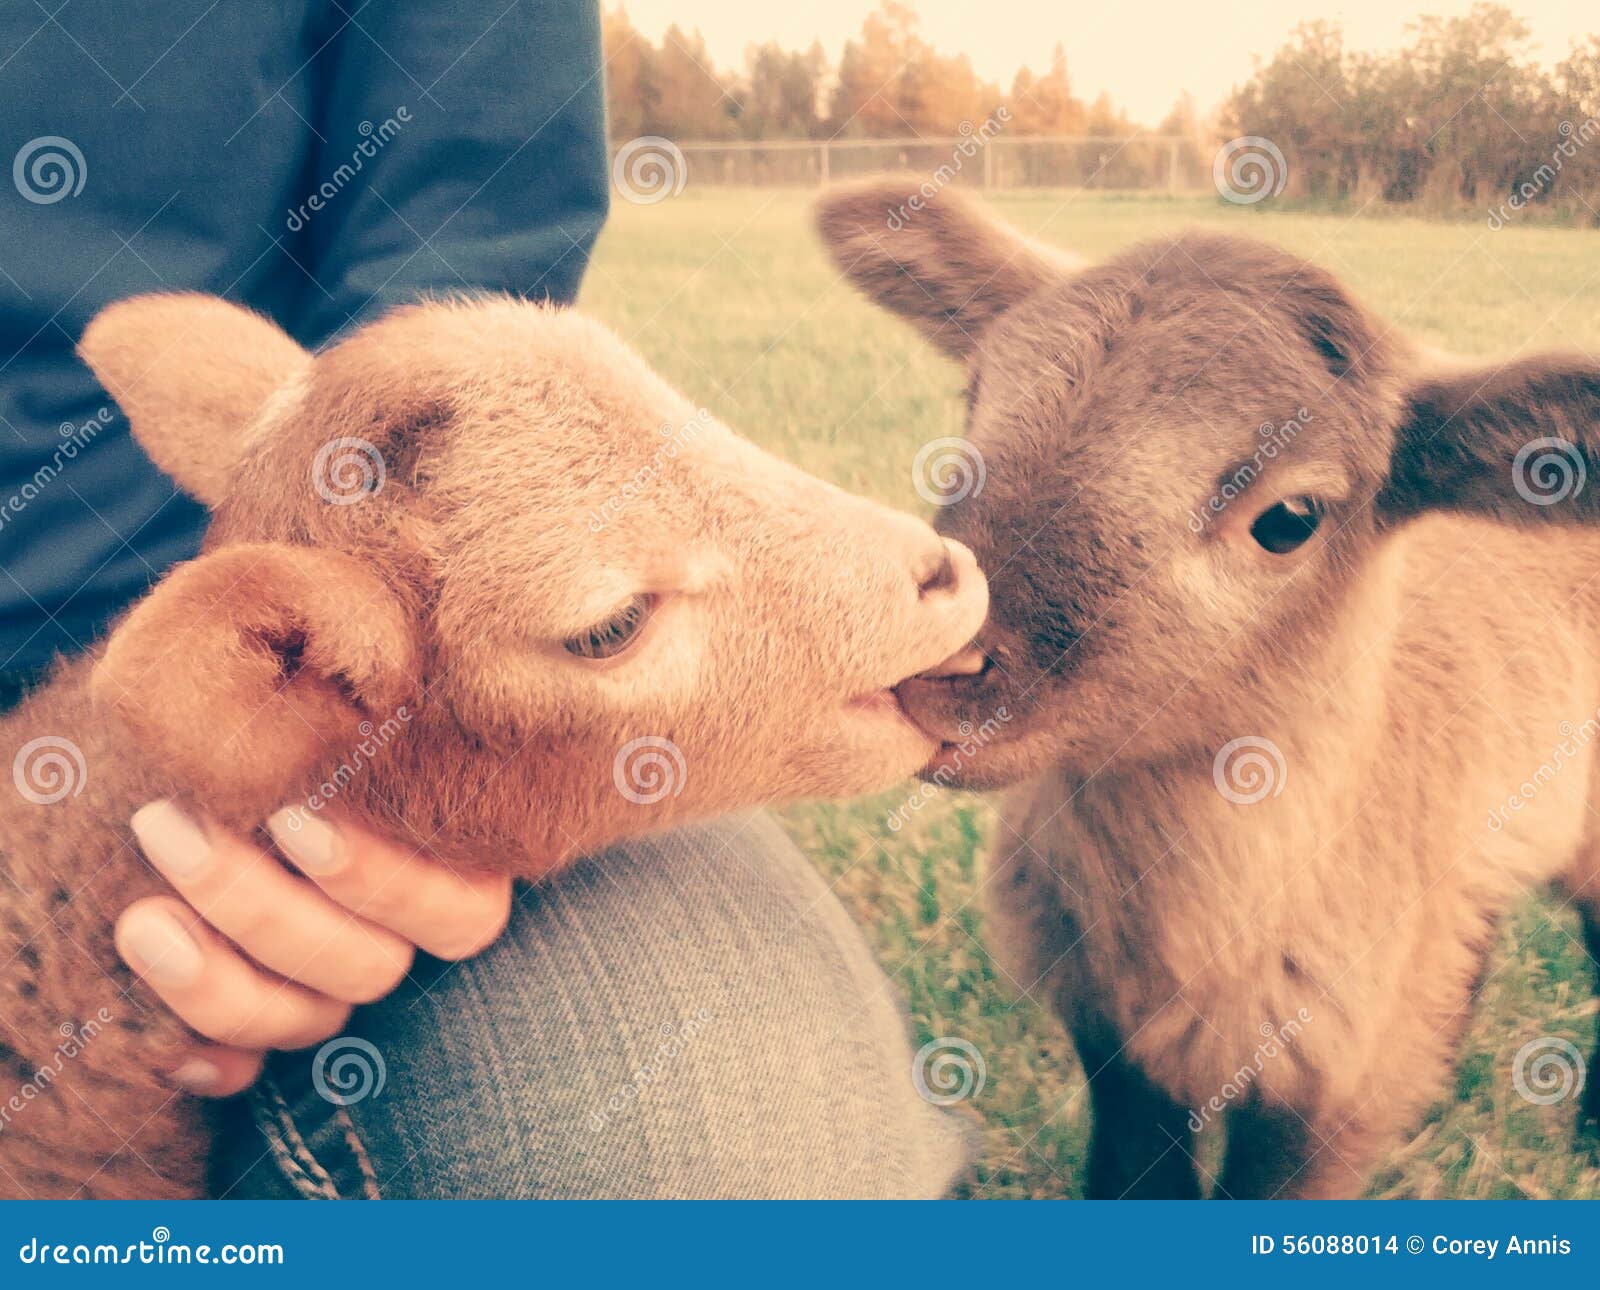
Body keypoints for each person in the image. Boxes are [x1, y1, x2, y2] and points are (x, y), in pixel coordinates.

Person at [0, 2, 973, 1197]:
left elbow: (465, 286)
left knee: (724, 1168)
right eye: (612, 622)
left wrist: (334, 465)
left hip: (356, 691)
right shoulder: (280, 651)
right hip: (223, 690)